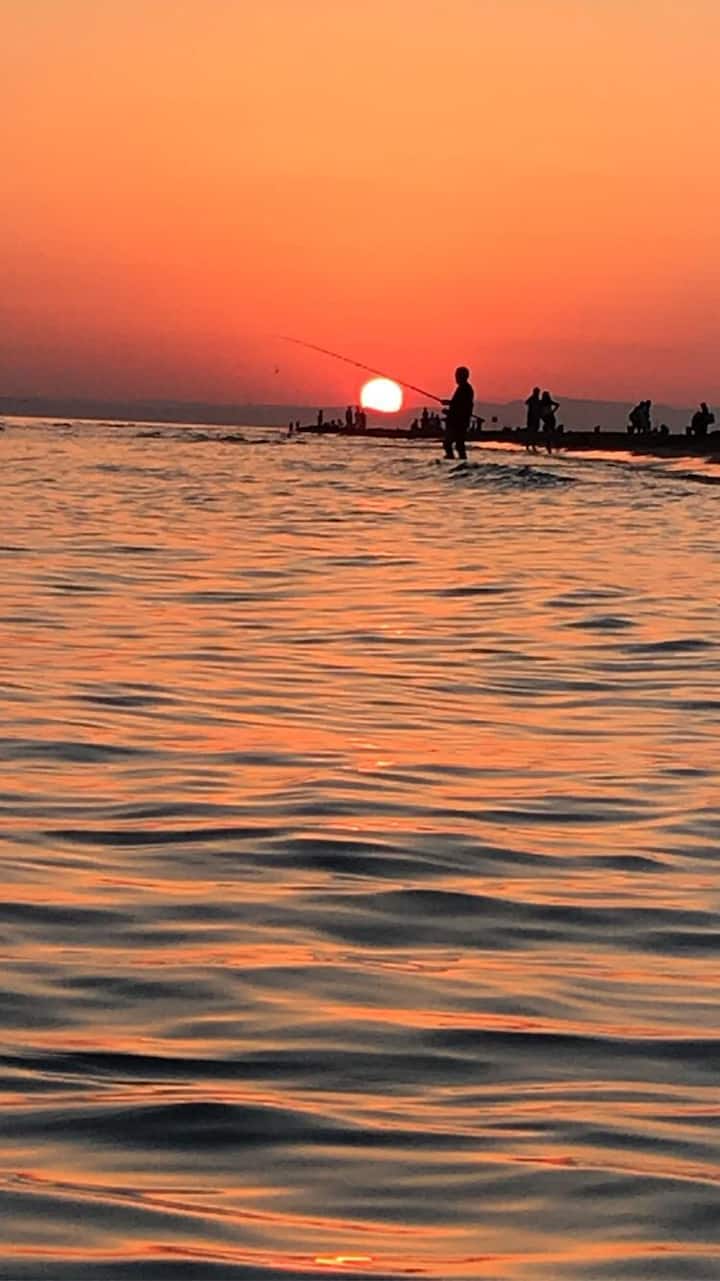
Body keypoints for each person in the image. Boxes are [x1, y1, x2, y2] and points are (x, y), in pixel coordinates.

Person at [442, 366, 474, 460]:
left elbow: (460, 406)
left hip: (458, 422)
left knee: (450, 444)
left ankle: (454, 462)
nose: (455, 378)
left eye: (457, 375)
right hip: (460, 421)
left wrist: (449, 409)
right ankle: (459, 463)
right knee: (458, 444)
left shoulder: (465, 389)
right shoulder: (464, 388)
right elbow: (458, 405)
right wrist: (448, 406)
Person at [525, 386, 542, 452]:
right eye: (537, 392)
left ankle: (533, 445)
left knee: (535, 432)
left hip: (536, 417)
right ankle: (529, 445)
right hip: (532, 417)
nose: (538, 393)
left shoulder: (537, 399)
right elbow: (526, 402)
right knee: (531, 432)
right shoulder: (532, 398)